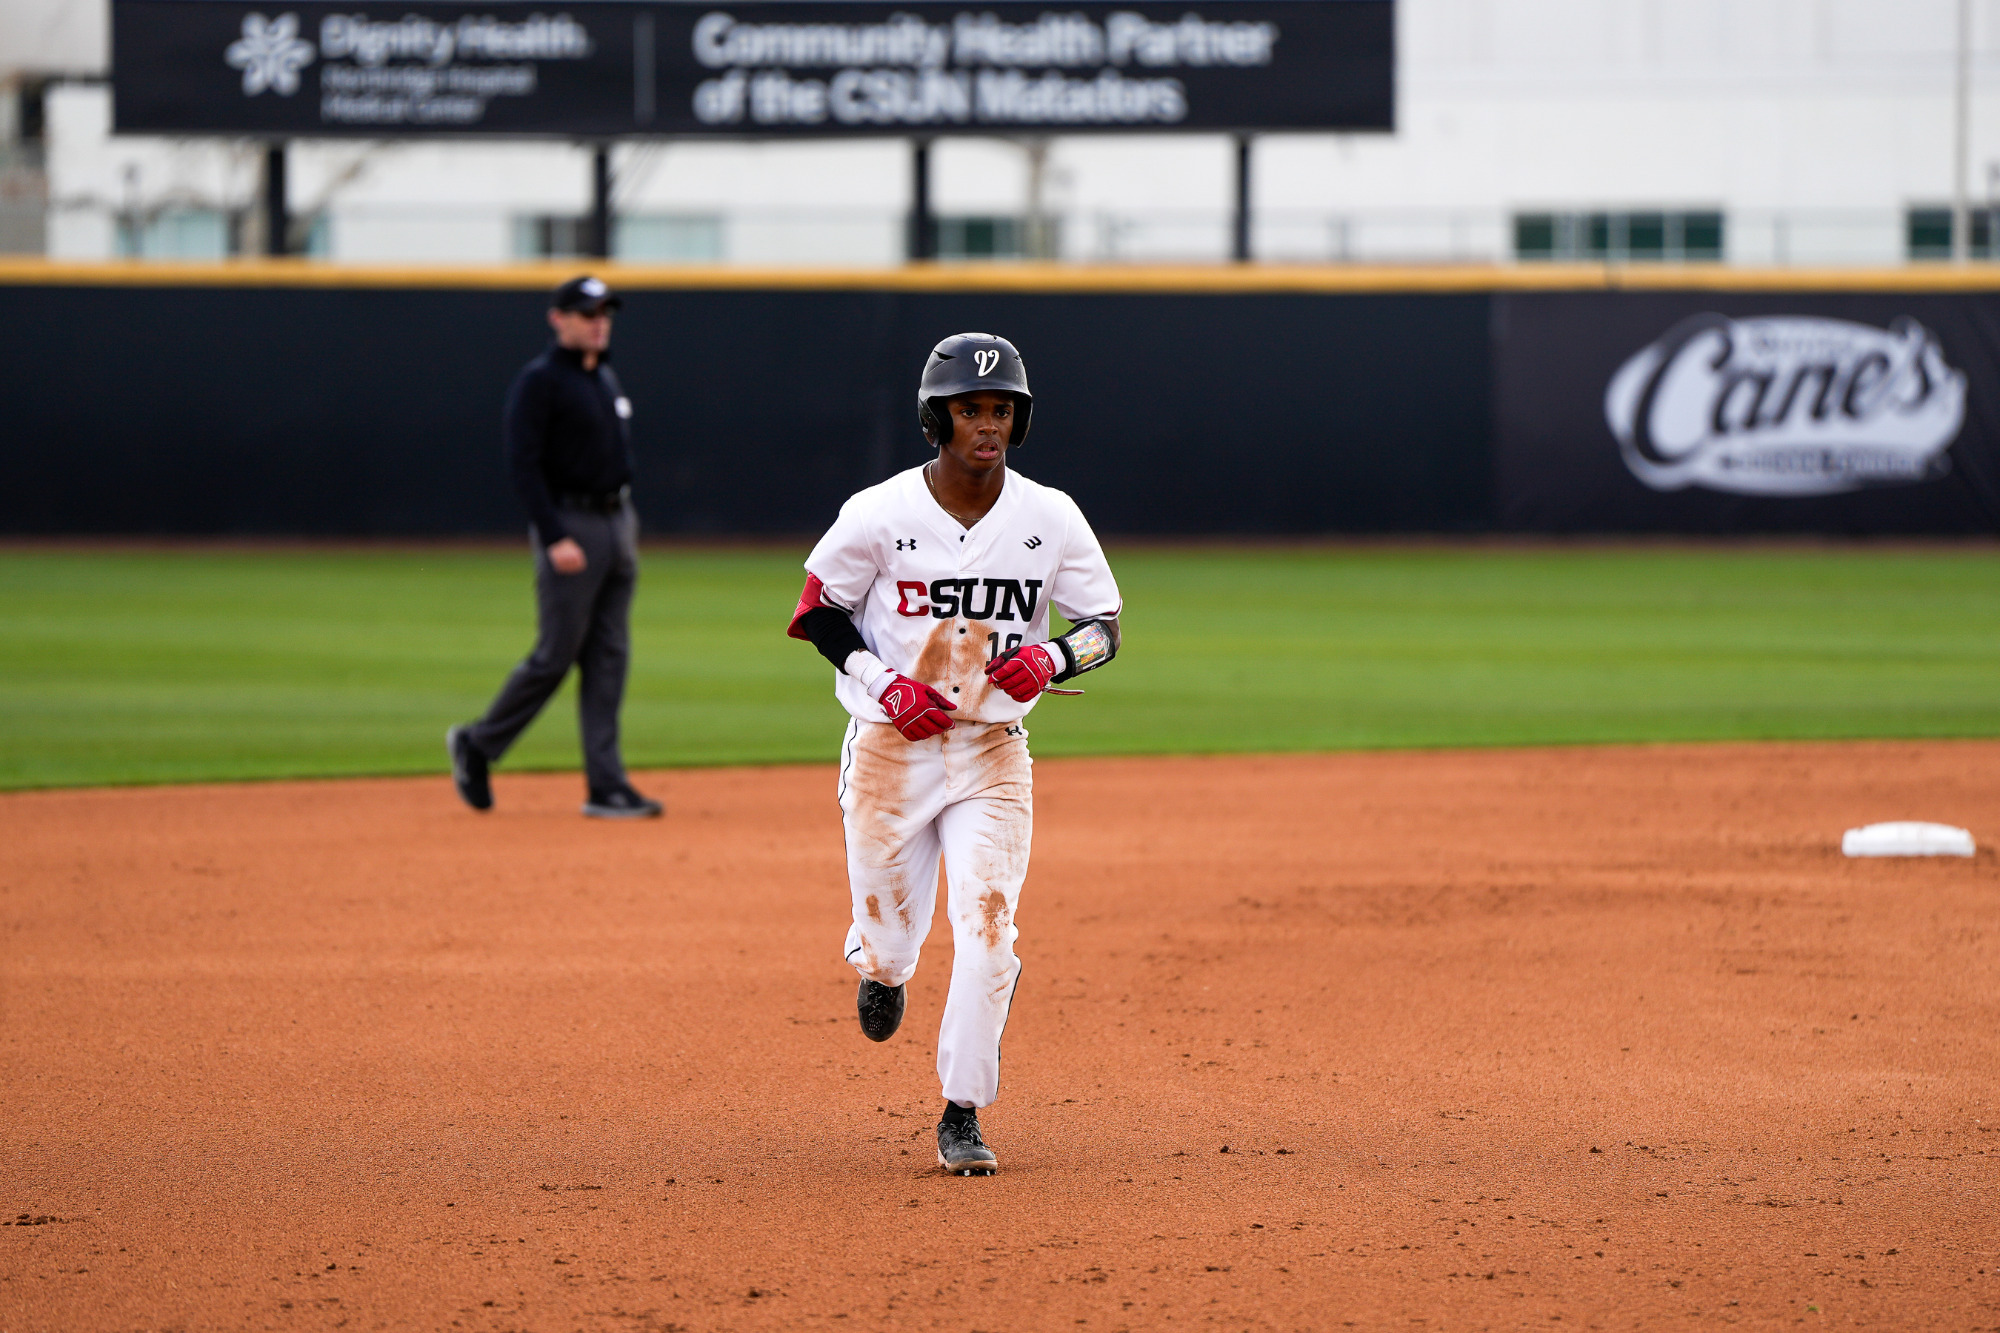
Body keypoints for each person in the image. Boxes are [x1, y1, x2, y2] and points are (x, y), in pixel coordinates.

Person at [786, 332, 1123, 1175]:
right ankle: (881, 968)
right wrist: (882, 681)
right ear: (937, 419)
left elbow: (1104, 627)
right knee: (893, 939)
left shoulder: (1050, 516)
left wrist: (1054, 658)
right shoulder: (880, 512)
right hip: (889, 753)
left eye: (1001, 409)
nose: (988, 424)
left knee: (989, 934)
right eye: (970, 409)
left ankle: (962, 1110)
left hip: (993, 753)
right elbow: (816, 610)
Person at [447, 275, 663, 820]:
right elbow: (523, 464)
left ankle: (606, 785)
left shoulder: (603, 377)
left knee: (609, 655)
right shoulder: (540, 381)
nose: (599, 323)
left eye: (604, 313)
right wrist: (552, 535)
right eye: (588, 313)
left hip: (617, 520)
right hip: (572, 523)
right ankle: (478, 743)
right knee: (556, 655)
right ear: (558, 318)